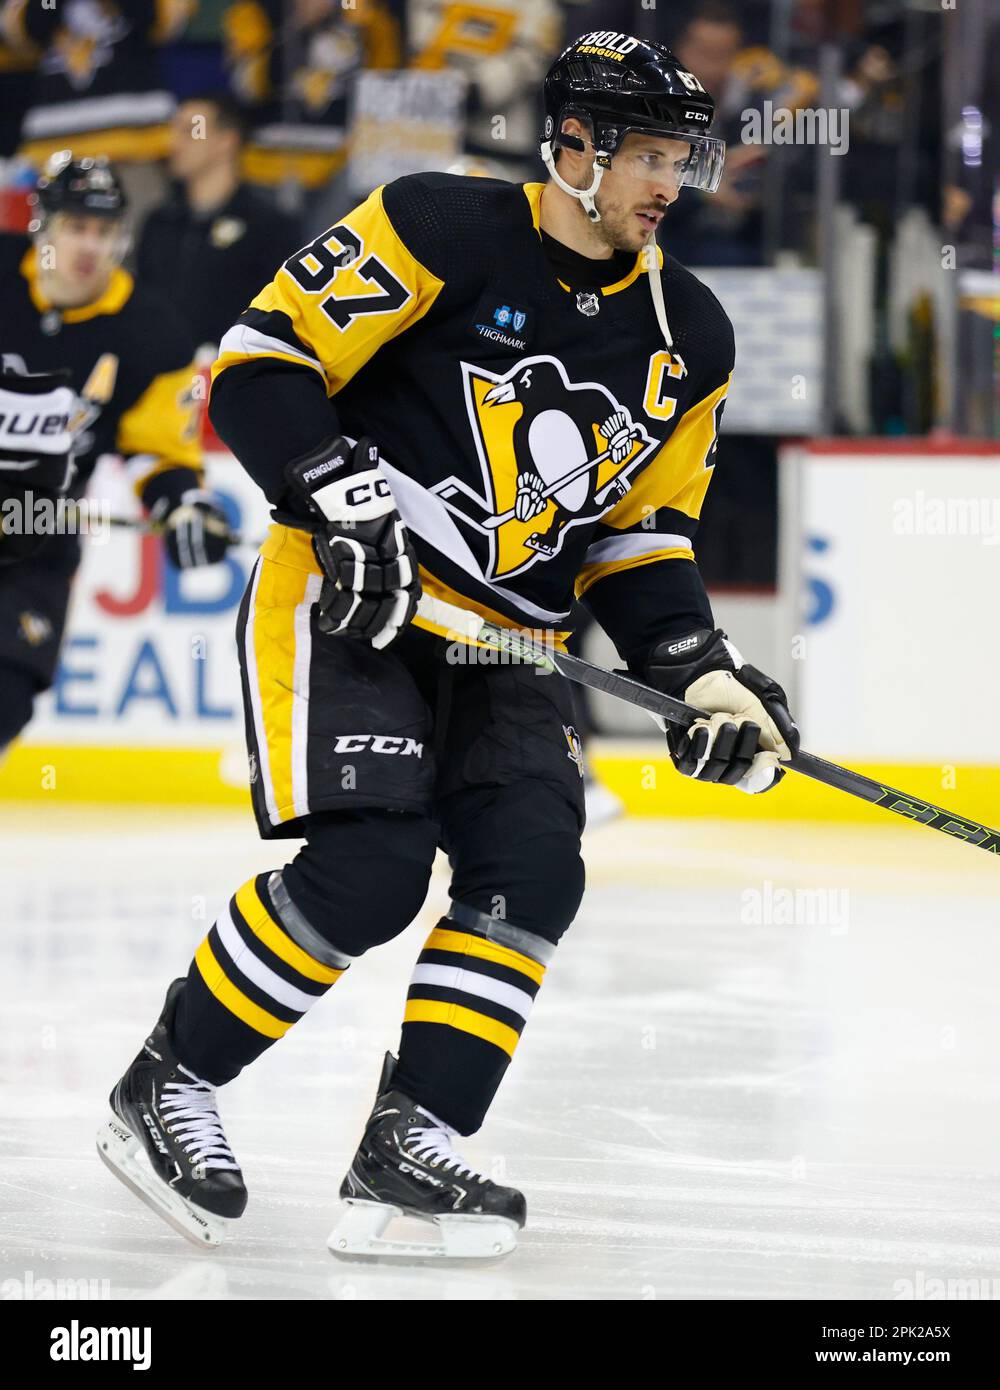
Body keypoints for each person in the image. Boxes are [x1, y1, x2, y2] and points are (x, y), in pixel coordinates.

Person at [98, 31, 799, 1260]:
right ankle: (167, 1080)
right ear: (570, 146)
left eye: (679, 159)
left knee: (534, 863)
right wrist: (333, 491)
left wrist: (703, 671)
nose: (666, 184)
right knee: (371, 870)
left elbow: (639, 539)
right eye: (644, 154)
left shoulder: (690, 330)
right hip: (352, 602)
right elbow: (263, 367)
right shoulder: (436, 224)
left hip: (512, 643)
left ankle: (410, 1136)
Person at [0, 152, 232, 757]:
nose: (90, 246)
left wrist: (186, 506)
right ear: (42, 228)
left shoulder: (150, 330)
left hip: (33, 547)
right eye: (76, 227)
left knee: (6, 691)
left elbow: (157, 451)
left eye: (104, 232)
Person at [136, 93, 302, 352]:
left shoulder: (271, 227)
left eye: (190, 131)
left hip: (234, 376)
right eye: (174, 130)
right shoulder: (158, 223)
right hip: (163, 380)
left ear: (226, 141)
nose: (173, 142)